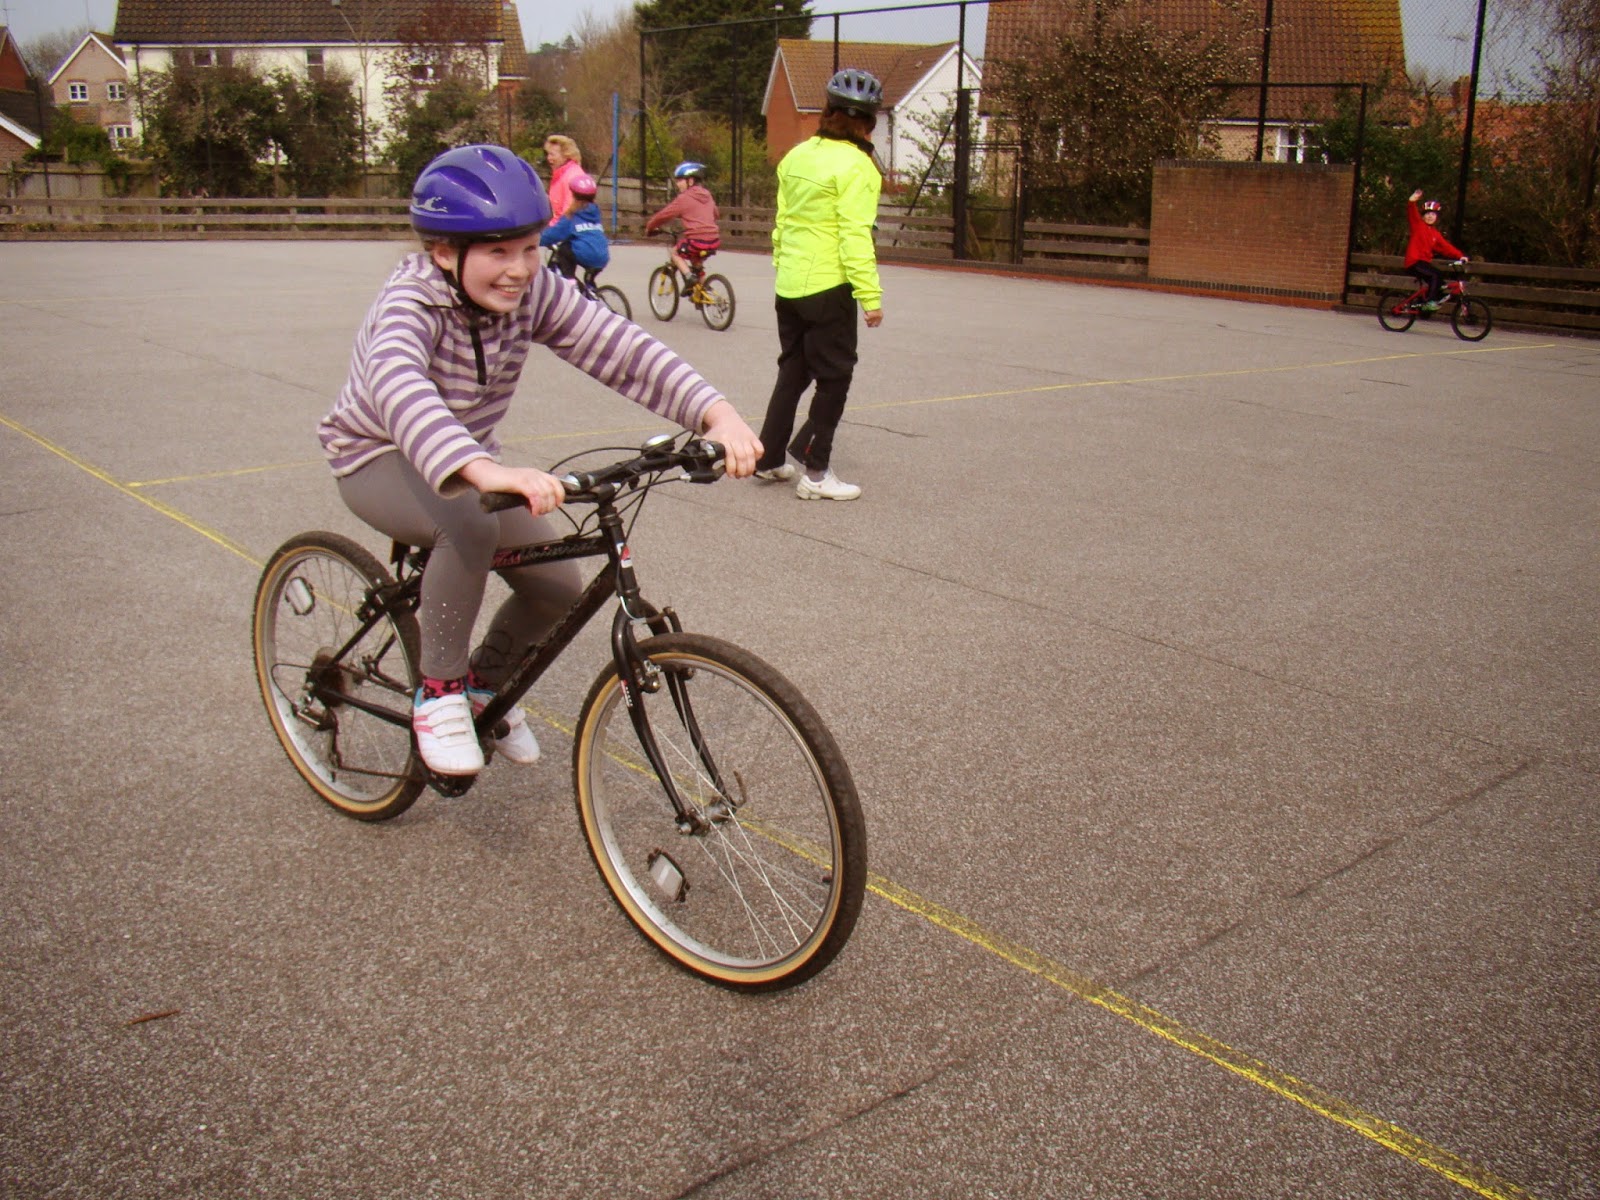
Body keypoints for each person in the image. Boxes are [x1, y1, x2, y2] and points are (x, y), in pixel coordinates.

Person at [317, 144, 761, 777]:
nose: (520, 269)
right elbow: (398, 385)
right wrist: (484, 470)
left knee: (555, 587)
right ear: (444, 252)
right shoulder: (409, 304)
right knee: (468, 524)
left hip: (466, 465)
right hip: (377, 454)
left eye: (529, 247)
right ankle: (438, 692)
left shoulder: (532, 292)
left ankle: (481, 689)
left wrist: (714, 411)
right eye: (498, 251)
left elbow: (617, 346)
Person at [752, 69, 885, 502]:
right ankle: (815, 470)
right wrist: (870, 296)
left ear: (827, 113)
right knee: (835, 376)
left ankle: (769, 457)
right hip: (829, 286)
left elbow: (783, 222)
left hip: (790, 284)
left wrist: (781, 264)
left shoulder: (797, 155)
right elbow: (854, 235)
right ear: (869, 123)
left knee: (793, 369)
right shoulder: (859, 167)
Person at [643, 162, 721, 283]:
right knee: (696, 262)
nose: (677, 184)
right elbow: (716, 214)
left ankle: (689, 277)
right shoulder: (708, 195)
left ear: (690, 181)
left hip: (696, 241)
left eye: (680, 180)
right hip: (714, 240)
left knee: (674, 253)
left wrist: (650, 227)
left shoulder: (684, 198)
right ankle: (703, 289)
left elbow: (663, 215)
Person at [1404, 189, 1468, 312]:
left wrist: (1460, 256)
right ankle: (1429, 302)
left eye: (1433, 214)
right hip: (1414, 262)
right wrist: (1413, 200)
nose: (1430, 216)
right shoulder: (1418, 225)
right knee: (1435, 275)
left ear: (1436, 217)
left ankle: (1424, 306)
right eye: (1427, 214)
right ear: (1423, 216)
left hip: (1424, 263)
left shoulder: (1435, 234)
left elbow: (1445, 247)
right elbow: (1412, 211)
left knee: (1440, 285)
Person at [540, 171, 609, 282]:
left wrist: (537, 239)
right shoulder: (595, 213)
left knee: (563, 250)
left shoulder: (572, 216)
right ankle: (594, 295)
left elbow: (554, 234)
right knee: (589, 286)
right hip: (602, 256)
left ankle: (570, 282)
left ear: (573, 195)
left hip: (586, 255)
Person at [544, 135, 584, 222]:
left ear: (565, 155)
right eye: (548, 154)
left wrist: (552, 232)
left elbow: (569, 213)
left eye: (552, 154)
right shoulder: (561, 175)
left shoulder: (572, 176)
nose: (549, 158)